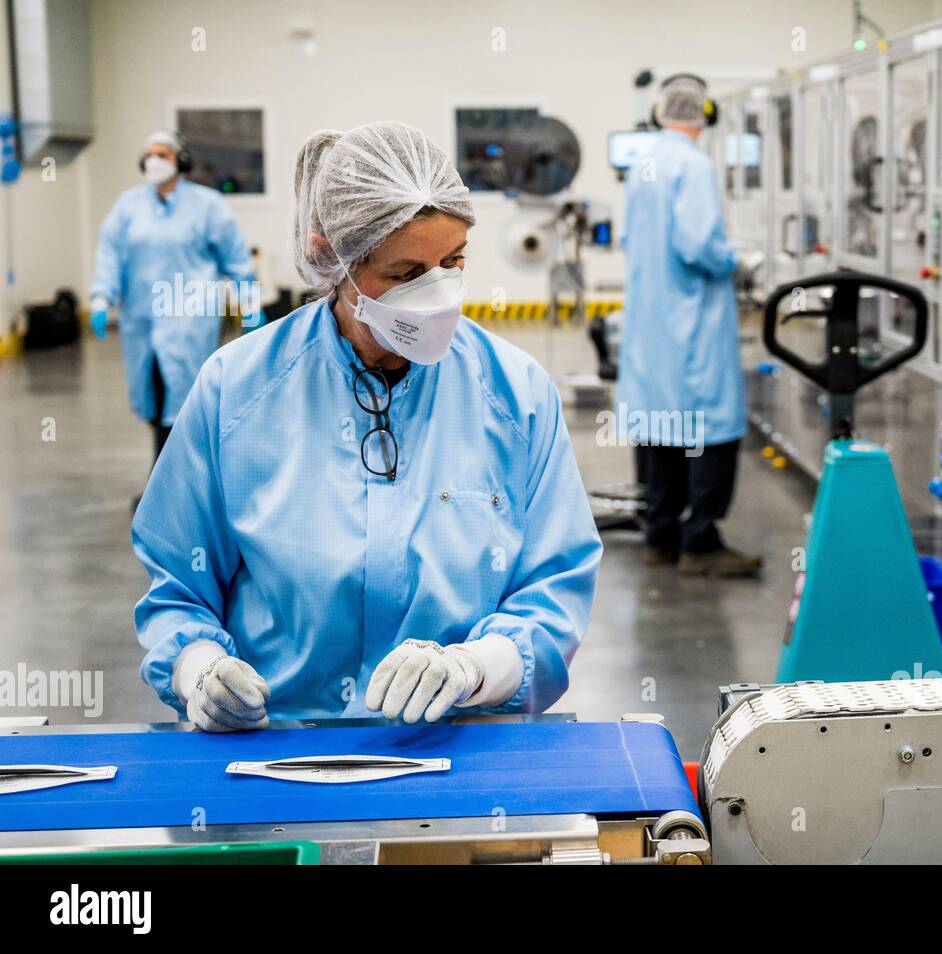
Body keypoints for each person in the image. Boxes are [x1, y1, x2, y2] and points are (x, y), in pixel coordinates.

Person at [132, 122, 601, 732]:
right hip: (276, 750)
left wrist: (477, 668)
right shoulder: (238, 389)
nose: (436, 293)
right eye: (405, 273)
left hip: (460, 748)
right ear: (334, 259)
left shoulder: (517, 395)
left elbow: (554, 584)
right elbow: (178, 581)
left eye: (452, 261)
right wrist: (199, 669)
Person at [617, 74, 761, 578]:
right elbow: (699, 245)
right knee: (712, 425)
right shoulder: (694, 164)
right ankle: (700, 541)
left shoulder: (642, 163)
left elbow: (631, 236)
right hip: (693, 317)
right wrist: (737, 264)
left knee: (660, 424)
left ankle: (659, 535)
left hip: (650, 320)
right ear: (707, 114)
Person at [89, 131, 262, 466]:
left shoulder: (207, 205)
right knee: (153, 400)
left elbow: (236, 257)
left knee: (189, 405)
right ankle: (161, 487)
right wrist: (100, 298)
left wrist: (250, 303)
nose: (154, 161)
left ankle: (187, 489)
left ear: (180, 161)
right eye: (149, 154)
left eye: (163, 154)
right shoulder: (129, 205)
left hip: (190, 323)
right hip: (141, 321)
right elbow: (110, 252)